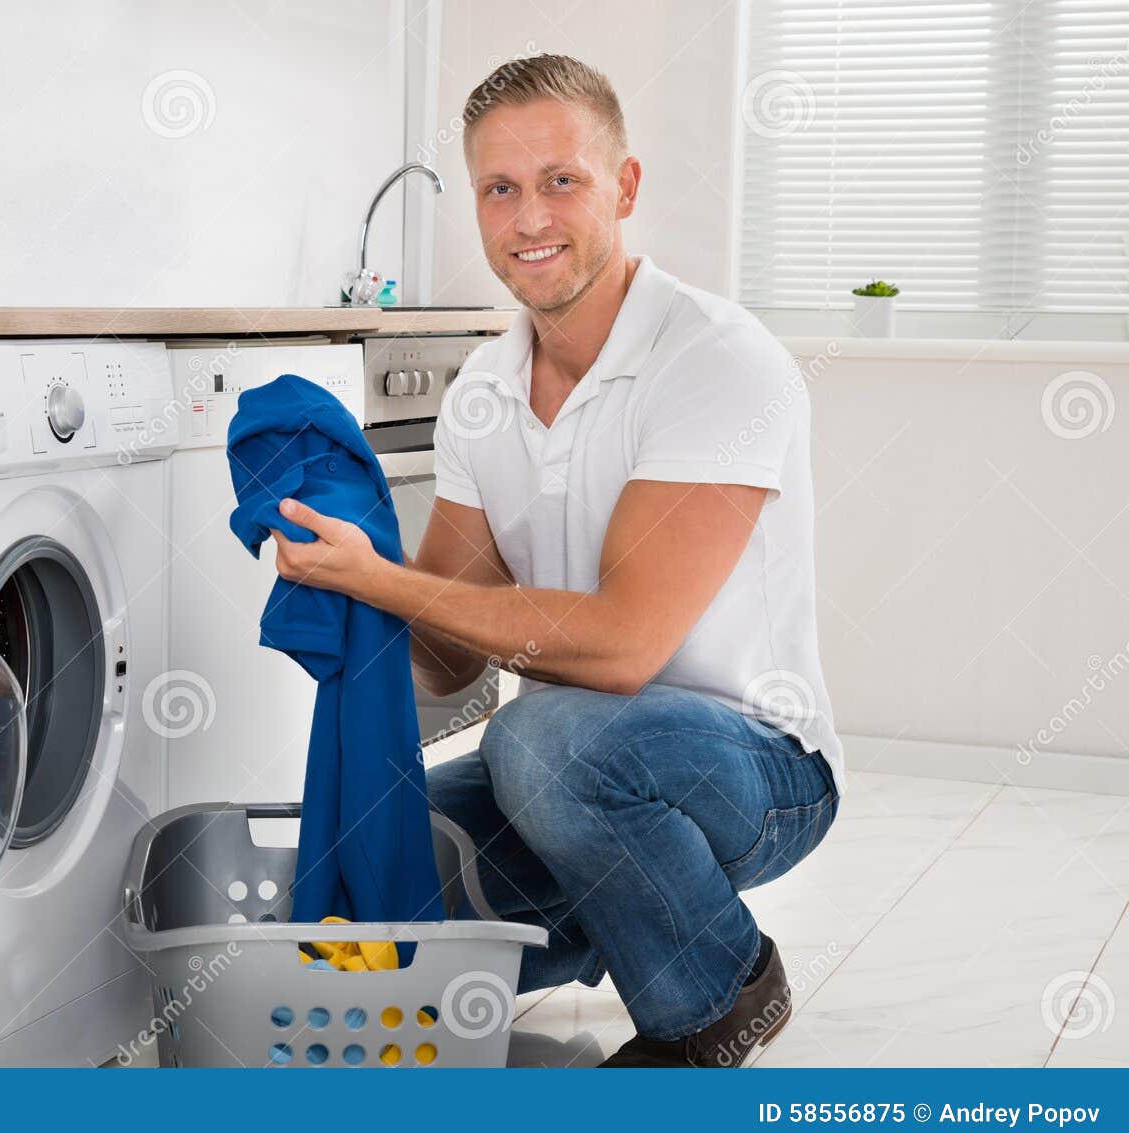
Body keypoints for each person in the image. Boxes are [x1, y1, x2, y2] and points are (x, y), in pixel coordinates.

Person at [264, 53, 841, 1067]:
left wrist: (383, 580)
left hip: (759, 770)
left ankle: (718, 994)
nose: (528, 218)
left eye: (560, 181)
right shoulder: (485, 392)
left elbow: (622, 650)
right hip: (568, 781)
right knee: (368, 859)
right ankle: (610, 912)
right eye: (499, 189)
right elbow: (449, 658)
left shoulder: (711, 358)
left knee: (540, 740)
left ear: (624, 186)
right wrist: (343, 580)